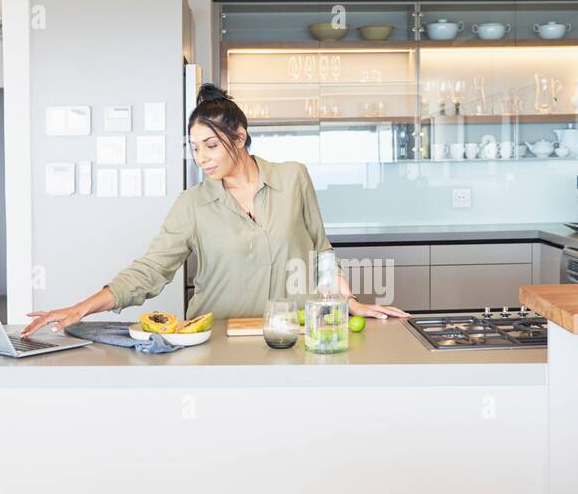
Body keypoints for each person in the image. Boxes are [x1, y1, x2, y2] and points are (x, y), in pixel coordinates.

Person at [21, 82, 408, 337]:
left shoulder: (293, 178)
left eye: (210, 145)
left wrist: (349, 302)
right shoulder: (192, 204)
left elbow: (321, 251)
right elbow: (150, 271)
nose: (201, 158)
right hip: (216, 339)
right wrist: (80, 308)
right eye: (194, 147)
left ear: (239, 138)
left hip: (293, 335)